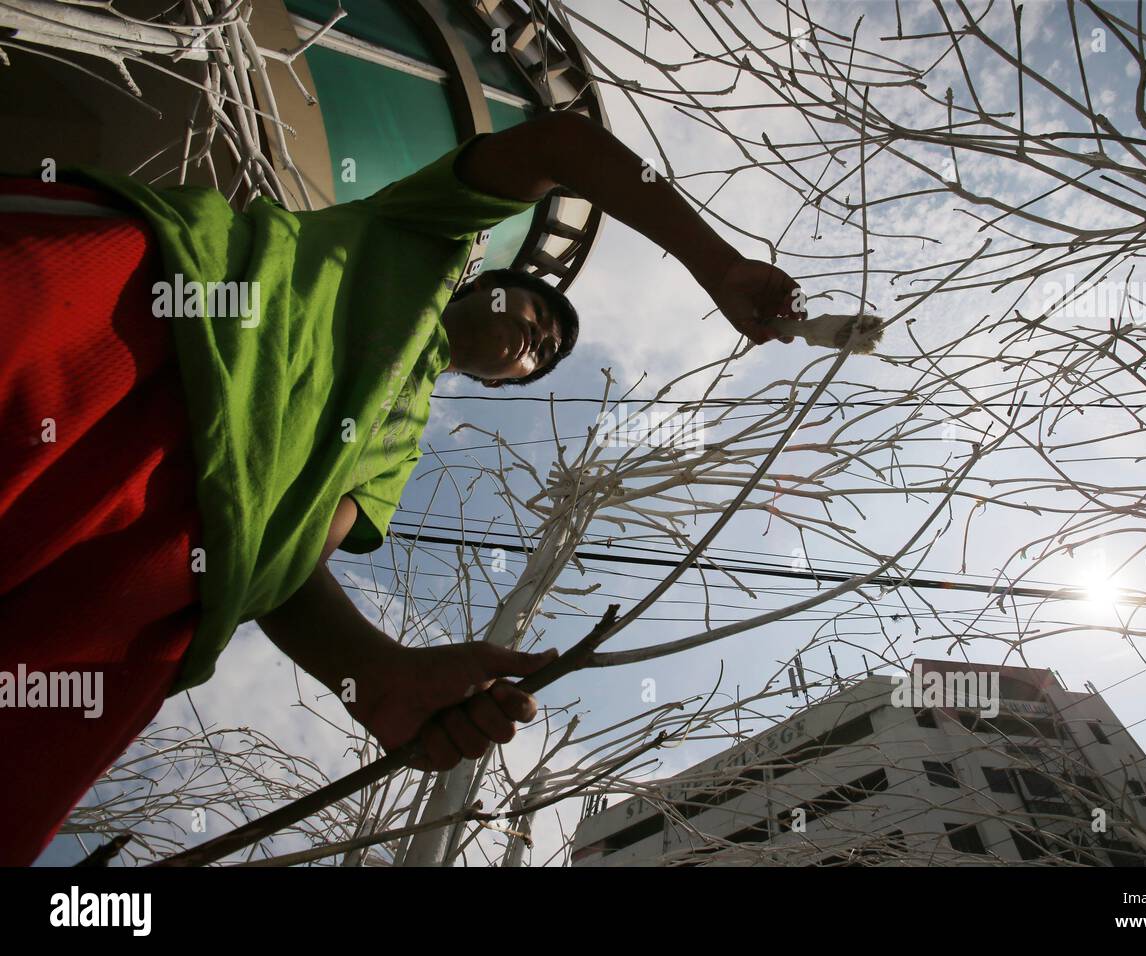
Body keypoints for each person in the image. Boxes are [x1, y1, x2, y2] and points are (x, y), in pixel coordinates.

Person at [0, 108, 804, 864]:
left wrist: (378, 673)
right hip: (126, 330)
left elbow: (288, 570)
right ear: (486, 282)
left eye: (543, 354)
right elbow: (564, 145)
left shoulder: (392, 454)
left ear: (499, 382)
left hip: (137, 596)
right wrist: (718, 264)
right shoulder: (423, 233)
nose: (541, 335)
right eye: (537, 309)